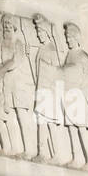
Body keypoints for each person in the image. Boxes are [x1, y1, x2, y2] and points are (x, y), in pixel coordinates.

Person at [0, 13, 36, 157]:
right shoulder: (1, 41)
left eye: (8, 23)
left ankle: (29, 149)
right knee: (9, 115)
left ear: (13, 26)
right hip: (6, 82)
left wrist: (1, 70)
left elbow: (16, 61)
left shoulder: (18, 43)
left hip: (19, 83)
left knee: (21, 115)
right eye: (4, 23)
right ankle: (14, 147)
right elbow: (1, 60)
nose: (6, 26)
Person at [61, 22, 88, 168]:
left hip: (78, 96)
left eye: (70, 37)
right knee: (71, 128)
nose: (68, 40)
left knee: (80, 128)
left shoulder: (82, 56)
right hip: (67, 95)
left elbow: (82, 77)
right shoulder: (69, 54)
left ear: (76, 37)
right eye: (67, 37)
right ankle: (76, 158)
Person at [31, 13, 62, 162]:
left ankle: (55, 155)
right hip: (41, 90)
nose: (39, 35)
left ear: (47, 33)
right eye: (37, 32)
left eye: (41, 32)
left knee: (49, 123)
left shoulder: (51, 49)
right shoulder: (42, 49)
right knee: (42, 122)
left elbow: (56, 71)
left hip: (49, 91)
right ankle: (42, 152)